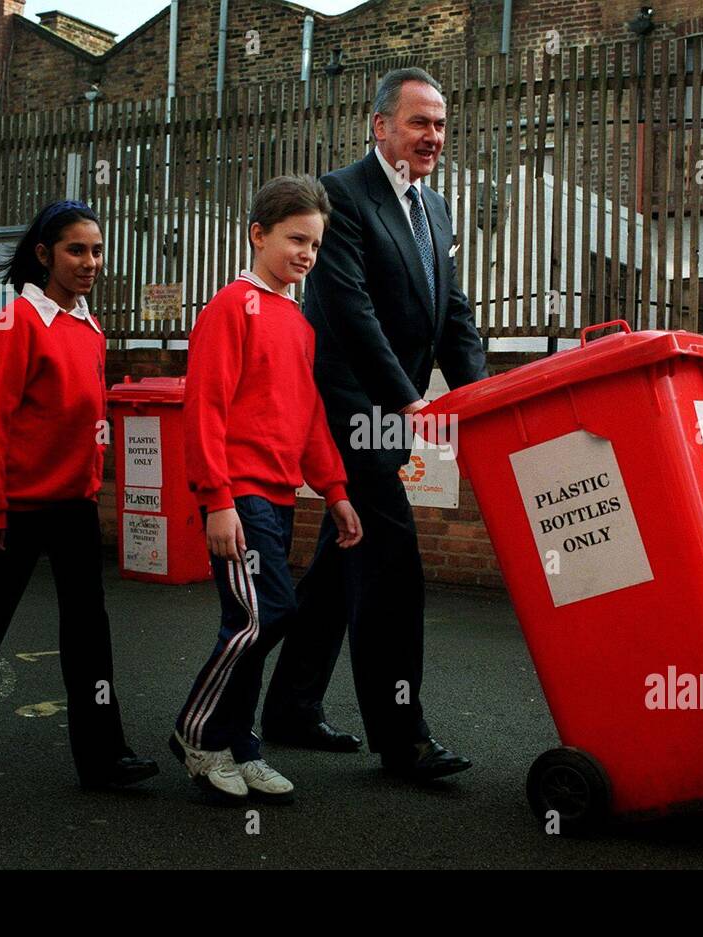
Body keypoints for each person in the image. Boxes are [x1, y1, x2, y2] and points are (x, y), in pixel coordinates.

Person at [262, 68, 488, 781]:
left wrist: (480, 401)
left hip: (388, 413)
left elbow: (450, 313)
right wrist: (407, 399)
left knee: (341, 558)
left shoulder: (438, 209)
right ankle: (402, 737)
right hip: (345, 409)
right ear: (380, 126)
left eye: (442, 124)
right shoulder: (343, 197)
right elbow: (351, 311)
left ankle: (291, 705)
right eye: (419, 122)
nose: (433, 137)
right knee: (391, 563)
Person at [0, 199, 158, 790]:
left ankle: (103, 756)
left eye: (97, 250)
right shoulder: (17, 322)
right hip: (20, 505)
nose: (90, 262)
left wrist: (90, 478)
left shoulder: (88, 325)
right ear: (44, 255)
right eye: (76, 250)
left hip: (73, 504)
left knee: (89, 629)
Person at [170, 174, 362, 804]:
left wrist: (334, 490)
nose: (306, 254)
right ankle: (199, 732)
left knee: (250, 620)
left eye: (314, 244)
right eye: (294, 239)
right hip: (240, 494)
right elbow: (205, 408)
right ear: (258, 234)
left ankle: (240, 747)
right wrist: (217, 499)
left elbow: (308, 417)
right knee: (265, 614)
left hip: (281, 497)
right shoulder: (232, 306)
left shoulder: (299, 322)